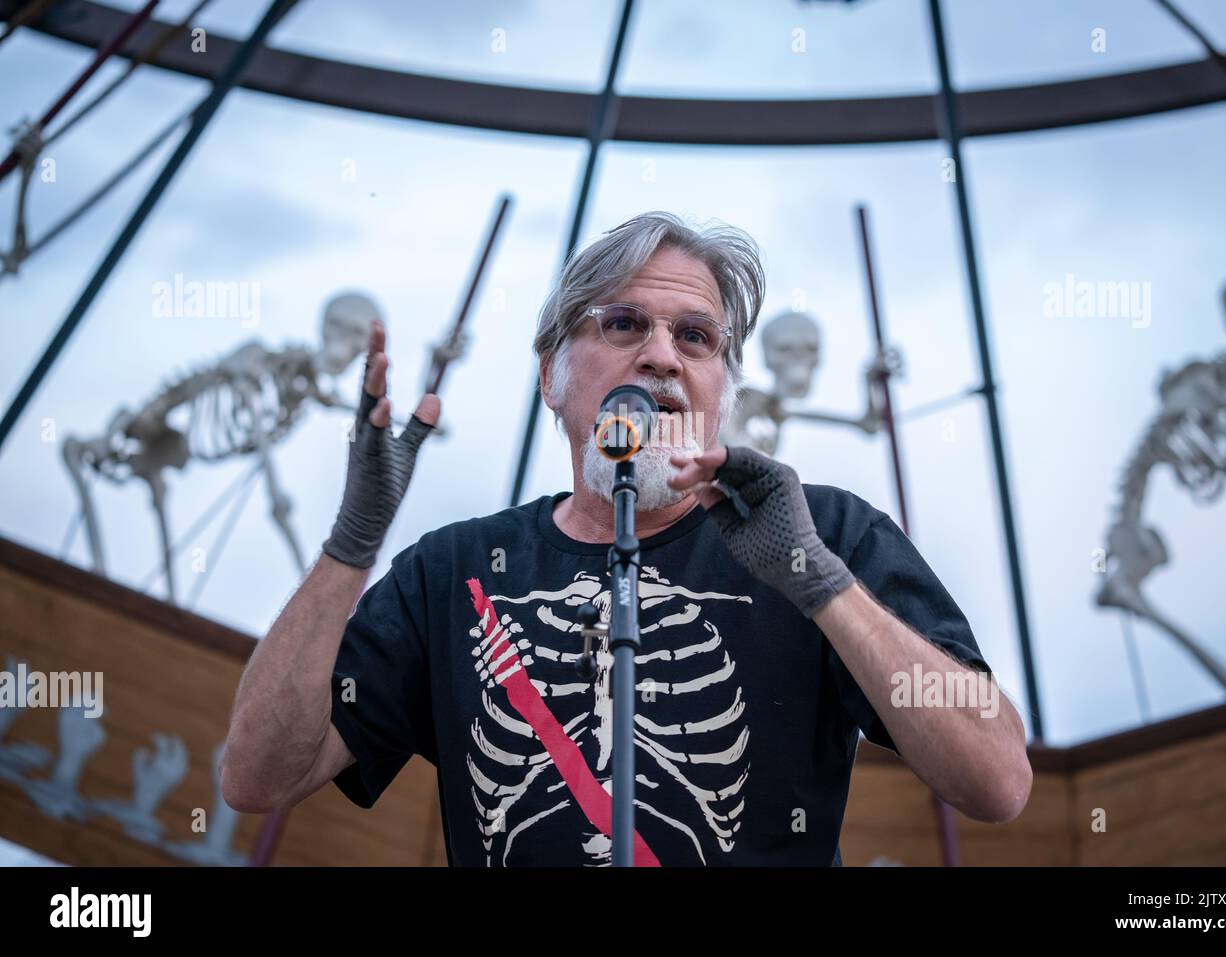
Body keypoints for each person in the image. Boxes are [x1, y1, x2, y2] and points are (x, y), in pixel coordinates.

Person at [220, 211, 1032, 866]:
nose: (660, 356)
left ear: (721, 386)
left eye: (696, 337)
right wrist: (352, 543)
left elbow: (996, 779)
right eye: (624, 324)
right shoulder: (454, 571)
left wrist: (820, 582)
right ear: (552, 375)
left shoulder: (828, 534)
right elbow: (258, 776)